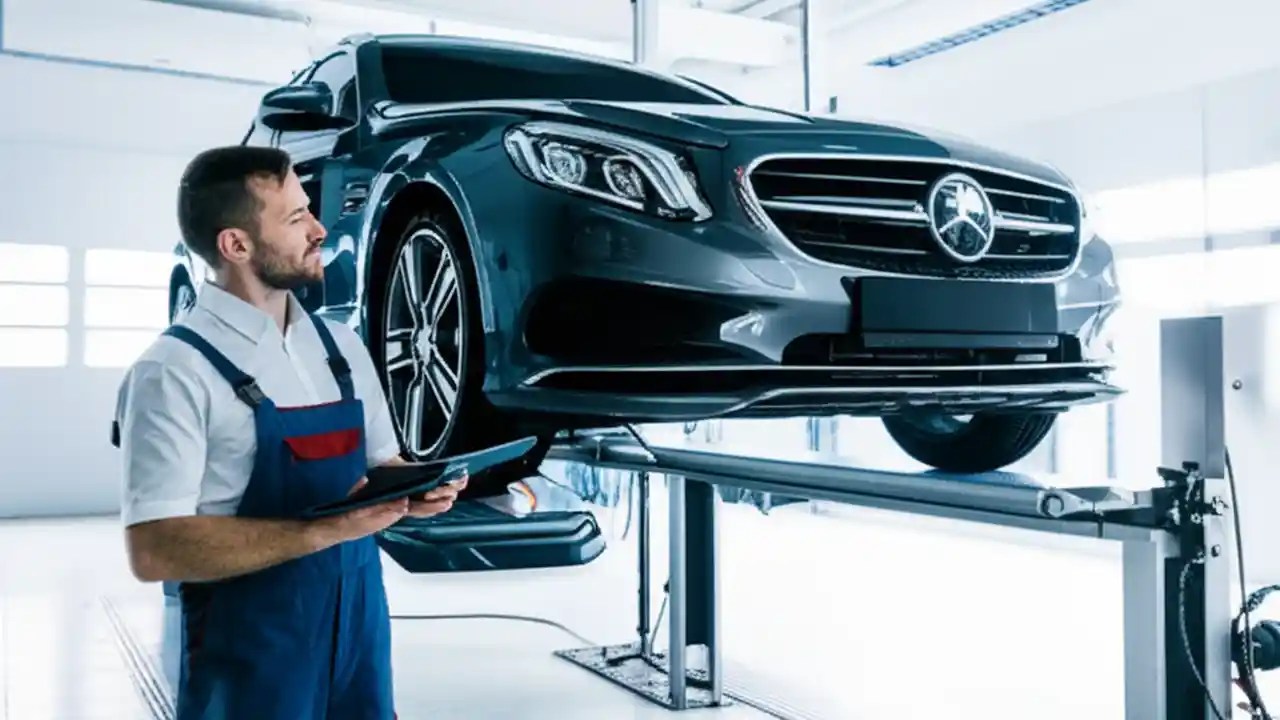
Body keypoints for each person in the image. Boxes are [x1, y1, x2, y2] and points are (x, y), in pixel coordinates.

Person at [112, 145, 465, 719]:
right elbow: (155, 550)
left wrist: (418, 488)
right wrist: (323, 531)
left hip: (359, 636)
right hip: (250, 653)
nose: (320, 230)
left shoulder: (340, 348)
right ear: (236, 245)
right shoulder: (173, 370)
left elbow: (383, 465)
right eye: (297, 217)